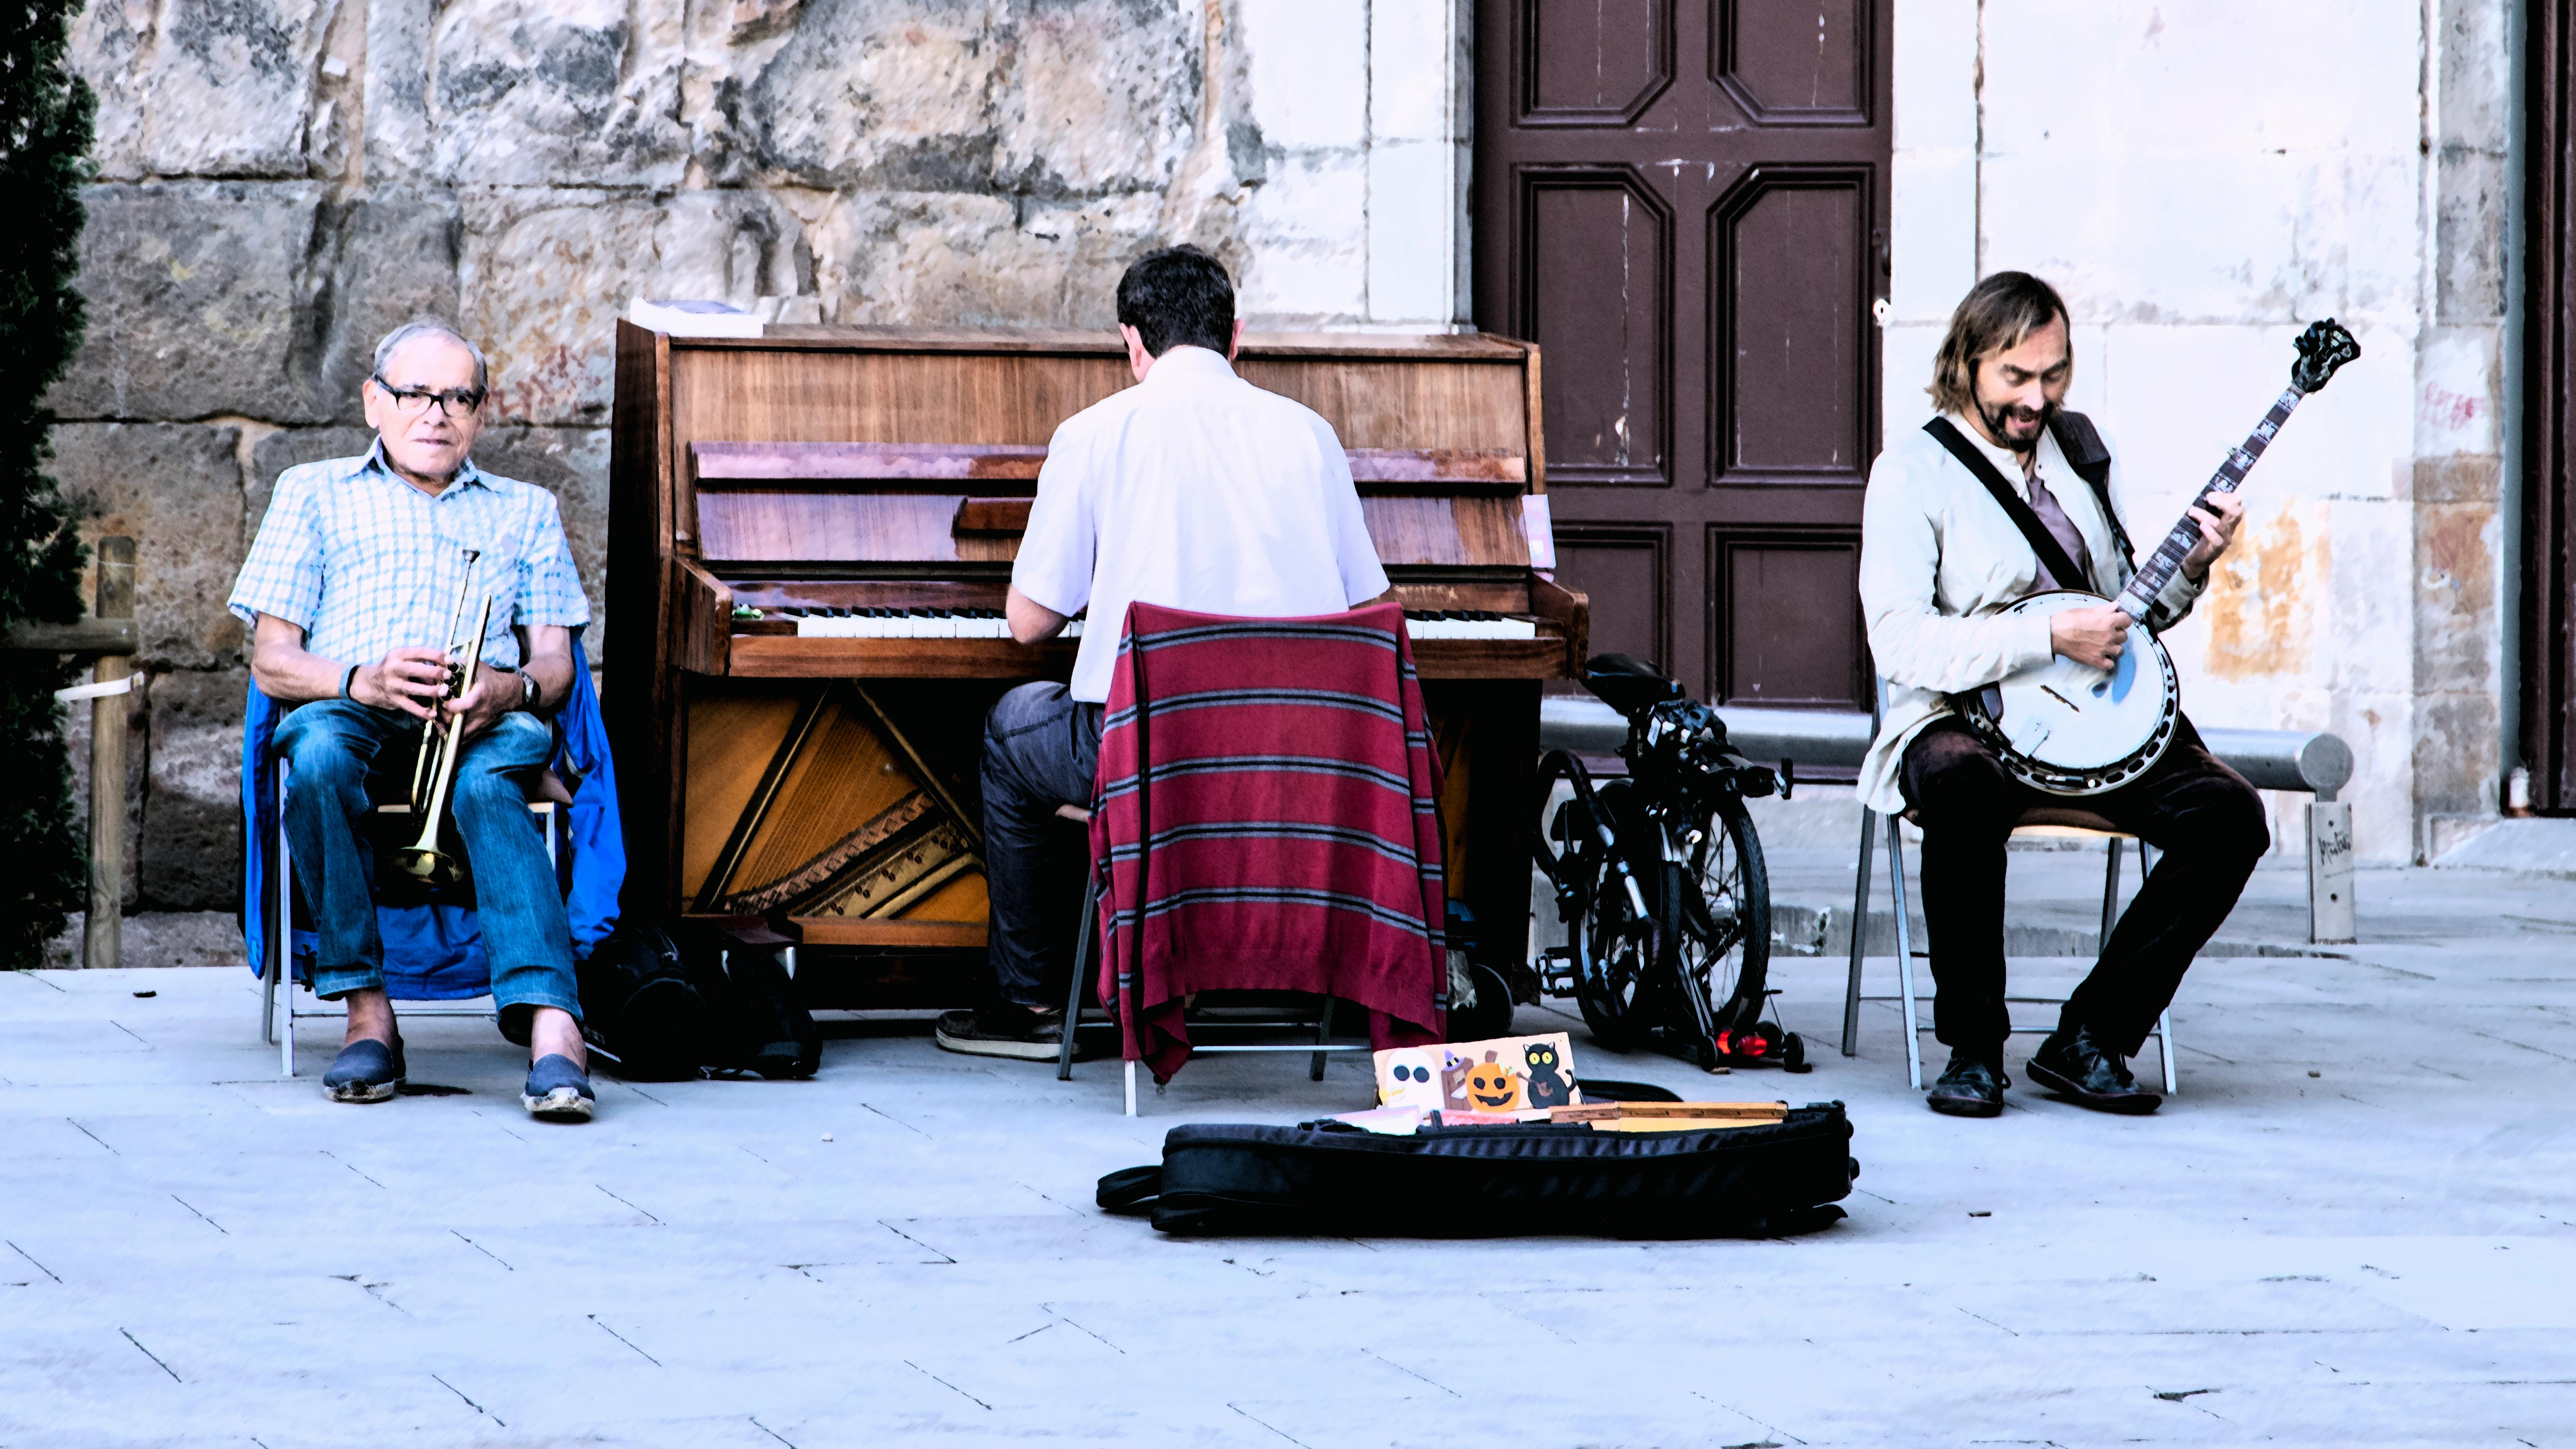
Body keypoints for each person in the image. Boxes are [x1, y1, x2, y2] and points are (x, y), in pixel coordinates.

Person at [935, 244, 1392, 1059]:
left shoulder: (1095, 433)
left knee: (1013, 726)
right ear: (1236, 338)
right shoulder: (1311, 435)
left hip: (1155, 761)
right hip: (1300, 762)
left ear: (1133, 345)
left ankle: (1031, 1000)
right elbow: (1366, 612)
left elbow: (1029, 623)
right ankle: (1299, 982)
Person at [1856, 272, 2271, 1118]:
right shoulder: (1910, 474)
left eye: (2053, 375)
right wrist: (2043, 635)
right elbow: (1900, 643)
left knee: (2231, 818)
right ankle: (1973, 1051)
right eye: (2016, 377)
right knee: (1963, 790)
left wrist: (2193, 563)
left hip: (2095, 716)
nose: (2037, 398)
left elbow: (2127, 607)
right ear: (1967, 363)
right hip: (1961, 713)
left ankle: (2093, 1037)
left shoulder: (2081, 450)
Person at [230, 320, 599, 1120]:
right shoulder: (312, 491)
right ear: (374, 402)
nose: (436, 413)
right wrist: (362, 679)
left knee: (492, 782)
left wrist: (508, 690)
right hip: (352, 706)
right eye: (415, 394)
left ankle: (553, 1027)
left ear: (479, 411)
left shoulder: (525, 510)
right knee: (318, 753)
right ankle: (368, 1013)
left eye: (458, 397)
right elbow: (273, 659)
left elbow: (556, 665)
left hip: (484, 721)